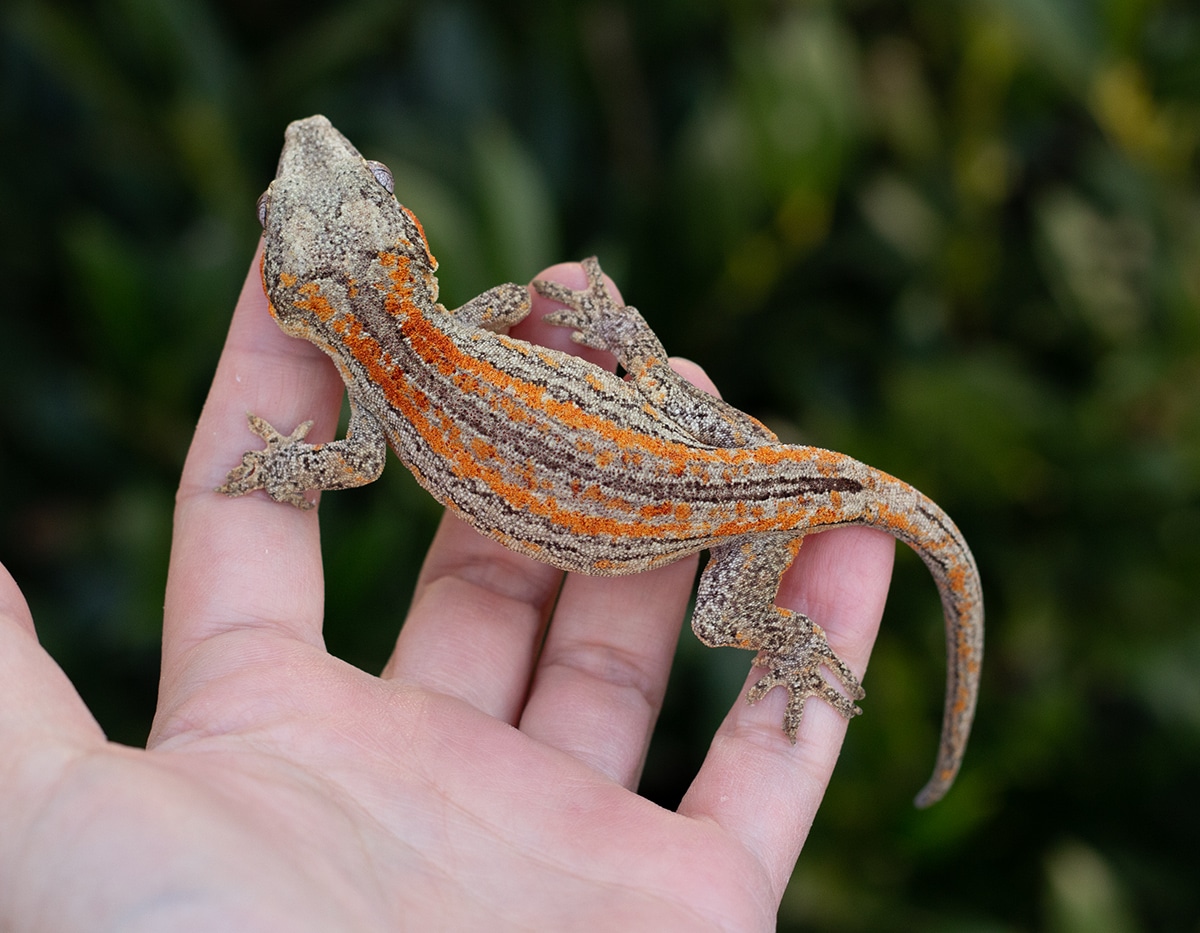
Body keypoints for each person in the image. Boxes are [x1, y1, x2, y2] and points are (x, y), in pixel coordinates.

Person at [0, 252, 894, 930]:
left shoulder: (387, 386)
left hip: (671, 496)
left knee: (714, 607)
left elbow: (355, 459)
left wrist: (283, 461)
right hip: (691, 459)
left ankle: (800, 639)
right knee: (716, 596)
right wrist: (606, 338)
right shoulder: (457, 332)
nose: (310, 132)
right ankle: (798, 635)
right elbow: (509, 304)